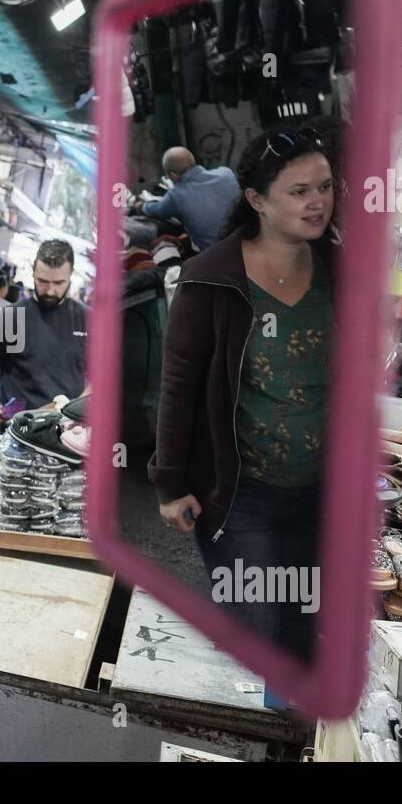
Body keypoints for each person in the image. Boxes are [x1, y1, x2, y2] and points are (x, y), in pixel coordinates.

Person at [149, 130, 335, 660]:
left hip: (320, 492)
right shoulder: (210, 278)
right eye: (299, 191)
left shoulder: (339, 270)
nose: (317, 201)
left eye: (324, 186)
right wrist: (169, 484)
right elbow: (179, 384)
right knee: (256, 635)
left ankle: (291, 742)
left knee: (304, 636)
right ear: (256, 199)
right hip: (240, 493)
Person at [0, 239, 88, 426]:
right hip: (17, 429)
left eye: (59, 282)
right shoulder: (11, 317)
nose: (50, 290)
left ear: (71, 275)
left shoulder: (89, 320)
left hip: (70, 431)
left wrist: (74, 410)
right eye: (43, 281)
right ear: (33, 272)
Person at [133, 146, 240, 252]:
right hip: (246, 247)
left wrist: (140, 206)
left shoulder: (176, 196)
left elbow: (155, 210)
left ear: (173, 175)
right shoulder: (226, 174)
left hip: (217, 256)